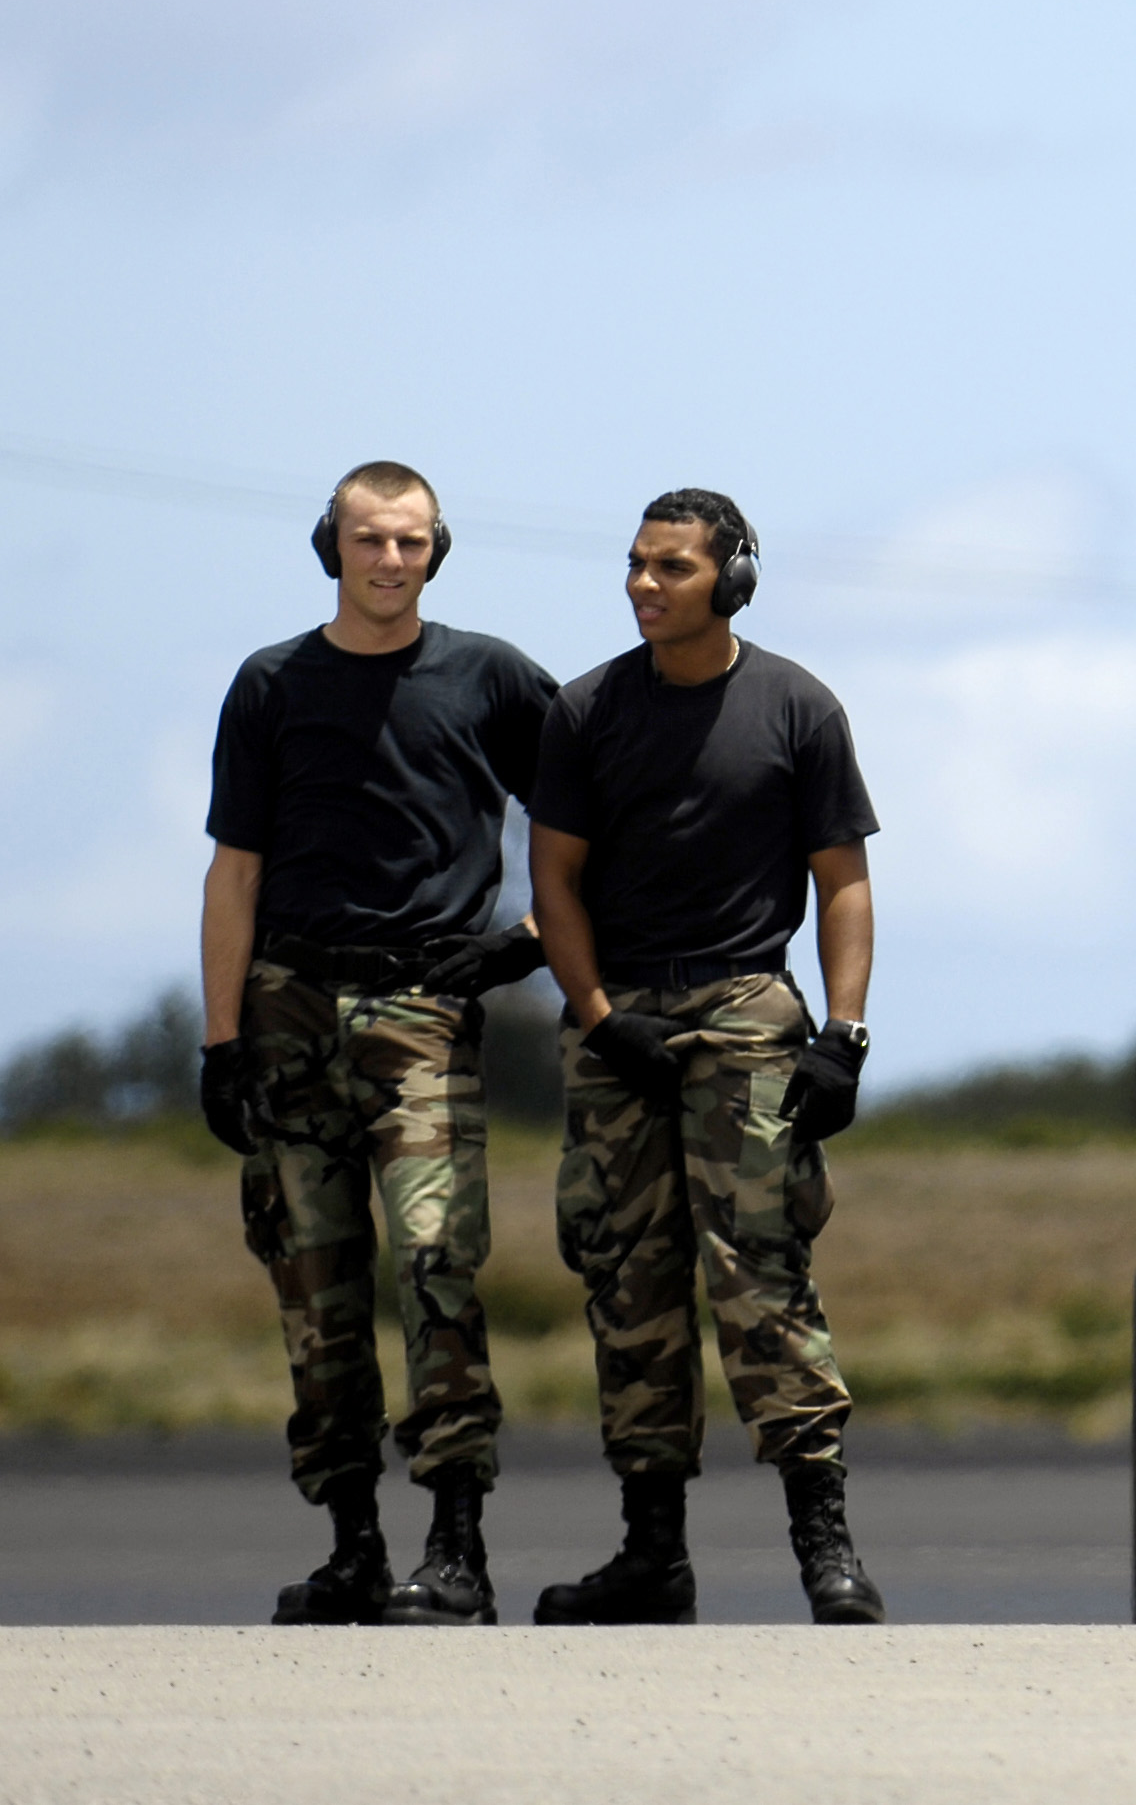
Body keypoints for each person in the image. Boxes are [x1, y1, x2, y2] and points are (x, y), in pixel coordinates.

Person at [199, 462, 556, 1625]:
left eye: (410, 541)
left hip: (424, 1010)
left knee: (436, 1264)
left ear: (437, 550)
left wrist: (535, 941)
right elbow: (234, 870)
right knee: (312, 1280)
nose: (389, 560)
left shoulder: (488, 676)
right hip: (290, 1003)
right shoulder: (271, 685)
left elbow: (598, 805)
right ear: (330, 546)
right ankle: (354, 1545)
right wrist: (220, 1040)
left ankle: (458, 1548)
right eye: (368, 540)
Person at [524, 488, 886, 1625]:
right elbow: (553, 882)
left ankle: (825, 1549)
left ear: (731, 577)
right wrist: (594, 1013)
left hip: (743, 1008)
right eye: (635, 565)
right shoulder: (585, 712)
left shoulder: (797, 708)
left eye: (671, 567)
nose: (645, 585)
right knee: (627, 1281)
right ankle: (652, 1557)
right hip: (620, 1014)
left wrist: (844, 1034)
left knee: (763, 1276)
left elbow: (844, 883)